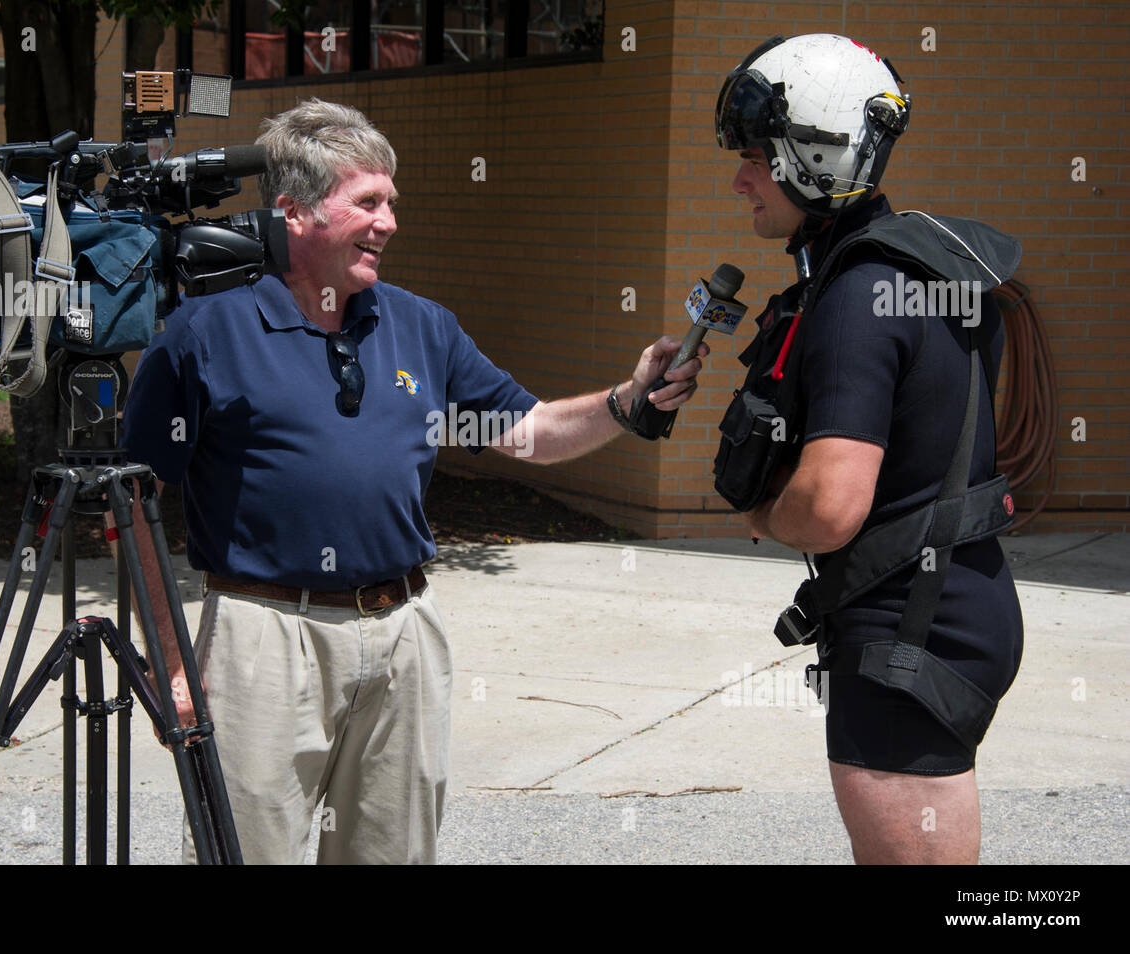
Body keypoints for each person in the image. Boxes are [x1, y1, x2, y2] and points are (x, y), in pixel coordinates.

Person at [120, 98, 707, 864]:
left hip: (402, 634)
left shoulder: (422, 325)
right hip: (262, 637)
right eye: (368, 202)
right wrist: (170, 662)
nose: (389, 221)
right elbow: (132, 501)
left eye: (392, 201)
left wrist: (626, 403)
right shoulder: (204, 331)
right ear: (295, 212)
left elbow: (528, 432)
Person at [714, 34, 1024, 864]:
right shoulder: (925, 266)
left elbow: (829, 507)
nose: (740, 177)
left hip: (907, 631)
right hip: (955, 603)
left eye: (753, 155)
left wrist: (758, 513)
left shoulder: (855, 293)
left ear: (809, 156)